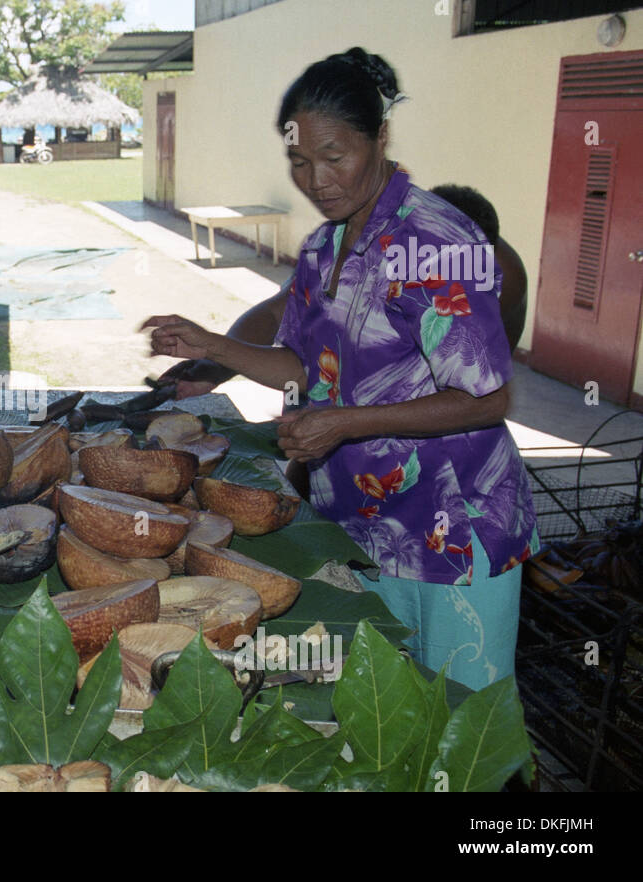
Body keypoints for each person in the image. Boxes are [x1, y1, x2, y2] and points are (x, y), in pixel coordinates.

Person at [143, 49, 538, 692]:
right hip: (360, 525)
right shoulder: (325, 246)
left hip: (453, 533)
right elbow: (303, 368)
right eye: (299, 162)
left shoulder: (437, 242)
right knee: (379, 719)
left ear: (379, 138)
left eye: (335, 156)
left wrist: (343, 424)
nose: (317, 180)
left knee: (458, 726)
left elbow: (485, 400)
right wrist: (213, 346)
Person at [158, 184, 528, 398]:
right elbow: (278, 312)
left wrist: (223, 355)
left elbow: (348, 381)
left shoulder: (500, 280)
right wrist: (216, 365)